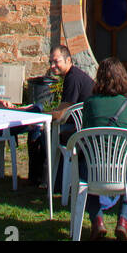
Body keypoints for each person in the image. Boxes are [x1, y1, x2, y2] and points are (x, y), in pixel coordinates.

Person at [79, 56, 127, 242]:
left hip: (94, 168)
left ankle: (97, 220)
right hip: (123, 170)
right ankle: (123, 221)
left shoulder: (90, 104)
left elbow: (84, 134)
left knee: (85, 174)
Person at [26, 42, 93, 187]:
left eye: (56, 61)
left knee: (43, 135)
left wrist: (42, 117)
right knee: (40, 132)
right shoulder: (71, 76)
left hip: (82, 129)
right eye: (51, 62)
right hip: (79, 124)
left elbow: (62, 113)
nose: (52, 66)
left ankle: (48, 180)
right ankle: (46, 179)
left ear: (68, 60)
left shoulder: (73, 78)